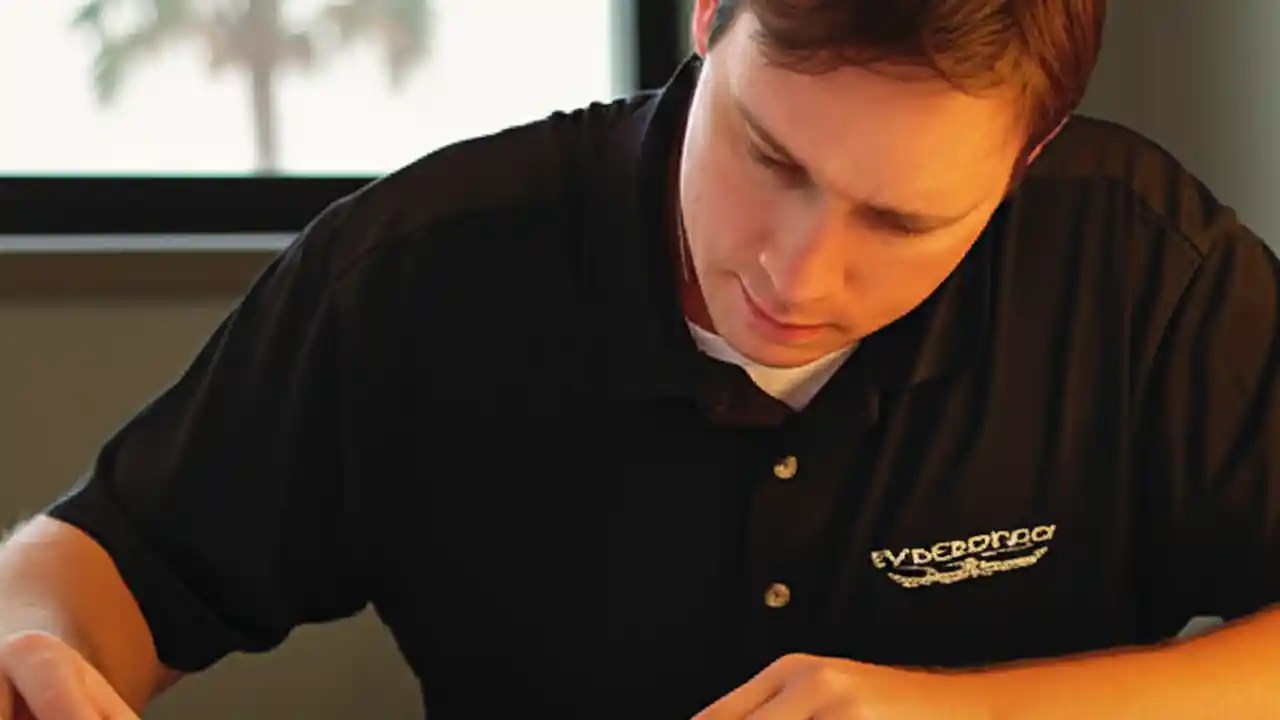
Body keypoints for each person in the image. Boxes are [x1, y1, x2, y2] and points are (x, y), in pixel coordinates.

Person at [2, 0, 1278, 717]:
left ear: (1030, 154)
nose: (795, 272)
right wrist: (34, 645)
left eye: (900, 222)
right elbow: (105, 561)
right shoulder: (425, 264)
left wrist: (976, 717)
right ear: (709, 17)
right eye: (769, 160)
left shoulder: (1143, 269)